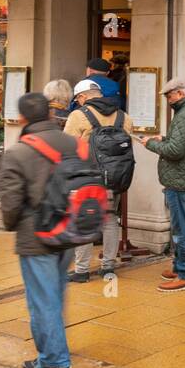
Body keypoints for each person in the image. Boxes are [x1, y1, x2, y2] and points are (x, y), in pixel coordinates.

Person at [0, 92, 79, 368]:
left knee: (42, 298)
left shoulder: (18, 153)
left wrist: (11, 226)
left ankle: (54, 358)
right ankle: (57, 343)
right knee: (55, 292)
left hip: (36, 234)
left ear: (21, 118)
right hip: (69, 229)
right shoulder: (73, 142)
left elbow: (10, 201)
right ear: (49, 113)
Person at [137, 77, 185, 292]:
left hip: (181, 178)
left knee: (182, 229)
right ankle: (179, 266)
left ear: (180, 93)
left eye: (169, 95)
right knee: (182, 225)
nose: (167, 100)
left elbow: (175, 151)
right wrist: (166, 138)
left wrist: (151, 143)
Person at [63, 80, 134, 284]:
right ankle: (108, 266)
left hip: (86, 179)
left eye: (78, 99)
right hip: (114, 178)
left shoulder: (78, 116)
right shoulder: (124, 117)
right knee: (110, 220)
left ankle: (82, 270)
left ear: (84, 96)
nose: (78, 103)